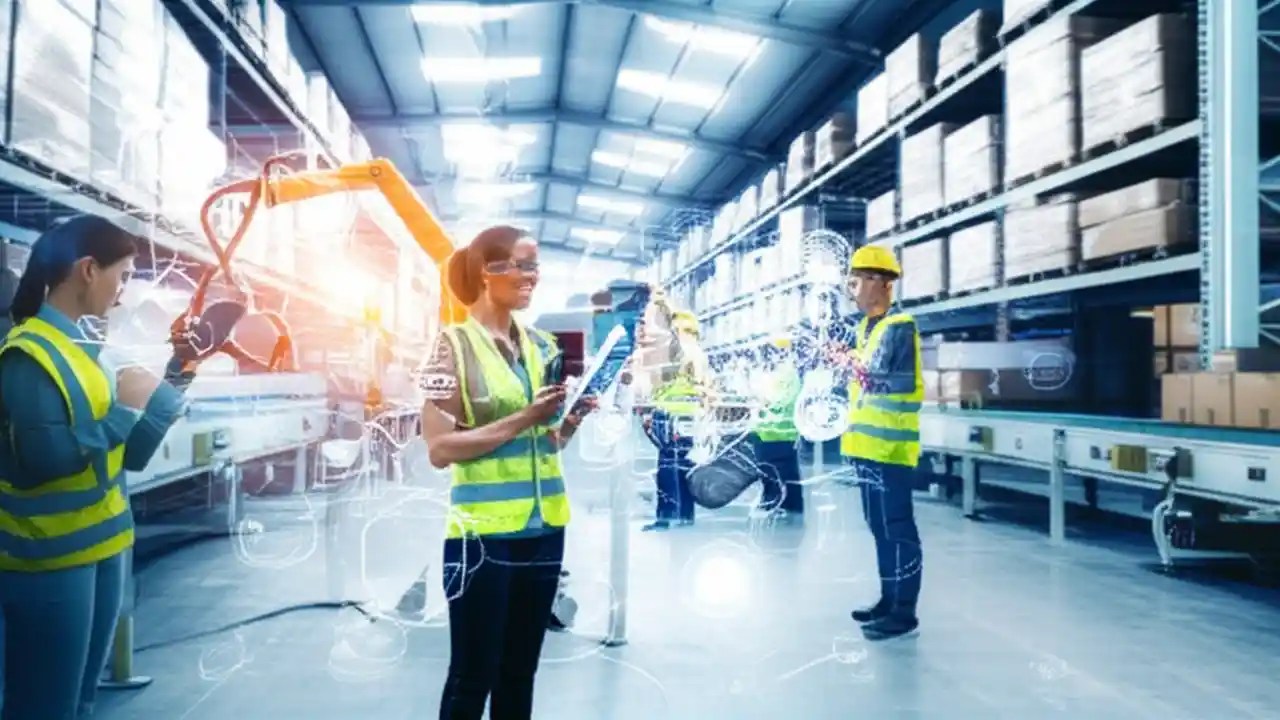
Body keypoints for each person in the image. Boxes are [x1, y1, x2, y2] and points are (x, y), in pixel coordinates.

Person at [0, 215, 191, 719]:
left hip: (104, 542)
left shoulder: (87, 352)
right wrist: (126, 411)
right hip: (50, 557)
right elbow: (45, 463)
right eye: (123, 275)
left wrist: (176, 382)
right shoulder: (29, 354)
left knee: (83, 702)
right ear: (88, 269)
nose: (124, 292)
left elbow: (123, 458)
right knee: (45, 706)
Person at [421, 225, 596, 720]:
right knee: (473, 674)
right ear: (486, 271)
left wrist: (569, 423)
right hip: (481, 539)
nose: (532, 277)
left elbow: (547, 440)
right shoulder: (449, 348)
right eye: (522, 264)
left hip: (544, 531)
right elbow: (438, 448)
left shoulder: (541, 346)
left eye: (535, 266)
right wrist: (526, 417)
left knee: (520, 672)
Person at [836, 245, 924, 641]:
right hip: (865, 448)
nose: (852, 287)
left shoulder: (900, 325)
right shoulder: (863, 329)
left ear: (882, 283)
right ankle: (888, 600)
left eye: (860, 279)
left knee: (898, 528)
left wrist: (851, 365)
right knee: (879, 528)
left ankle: (904, 612)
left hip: (891, 450)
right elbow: (860, 382)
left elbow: (894, 382)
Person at [640, 310, 704, 532]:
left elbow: (664, 382)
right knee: (682, 468)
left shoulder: (683, 352)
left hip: (673, 415)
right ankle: (684, 516)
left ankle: (667, 517)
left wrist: (651, 405)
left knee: (668, 469)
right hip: (685, 416)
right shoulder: (696, 352)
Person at [751, 336, 804, 519]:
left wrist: (765, 402)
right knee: (768, 471)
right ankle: (774, 502)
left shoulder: (788, 373)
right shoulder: (771, 373)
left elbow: (785, 399)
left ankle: (787, 505)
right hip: (766, 432)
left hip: (781, 433)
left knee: (783, 472)